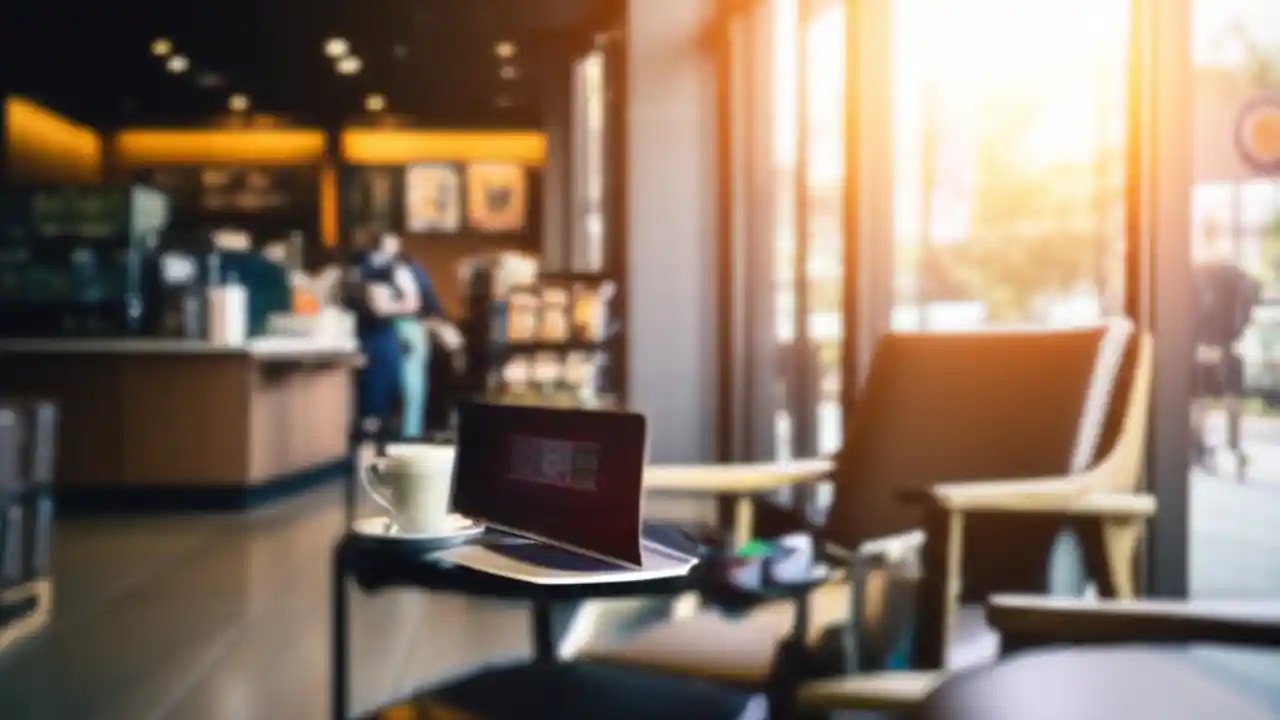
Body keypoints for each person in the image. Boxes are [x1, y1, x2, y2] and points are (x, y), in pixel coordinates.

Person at [346, 232, 421, 437]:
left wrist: (387, 308)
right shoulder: (359, 270)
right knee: (371, 396)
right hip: (369, 338)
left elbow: (412, 302)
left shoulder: (395, 269)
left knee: (384, 395)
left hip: (381, 336)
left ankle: (379, 435)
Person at [1191, 259, 1260, 478]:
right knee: (1208, 401)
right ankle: (1224, 446)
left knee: (1201, 401)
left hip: (1208, 347)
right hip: (1221, 347)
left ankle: (1204, 447)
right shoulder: (1235, 283)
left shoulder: (1202, 279)